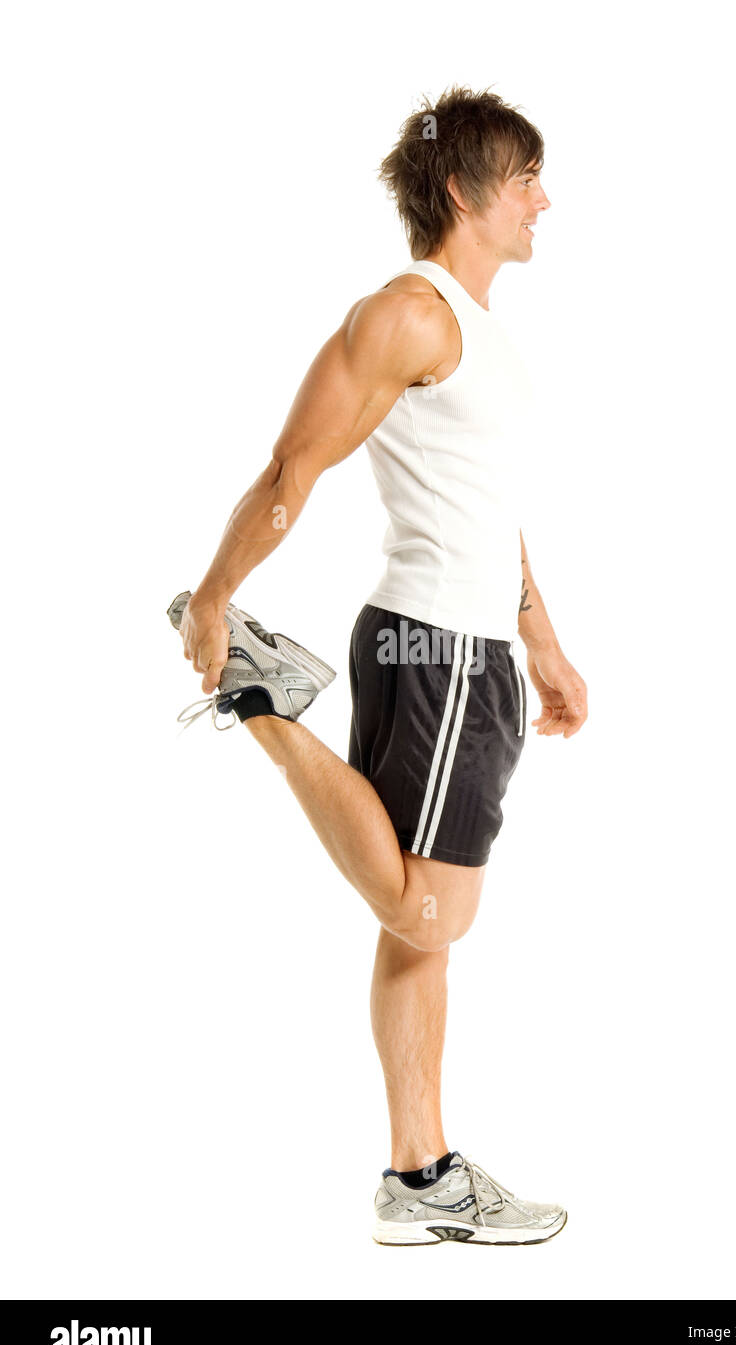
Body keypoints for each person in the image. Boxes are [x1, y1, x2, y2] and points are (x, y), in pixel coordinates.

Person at [168, 86, 587, 1245]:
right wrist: (214, 596)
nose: (542, 199)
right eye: (522, 181)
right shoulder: (408, 312)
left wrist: (540, 635)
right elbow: (294, 464)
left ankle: (418, 1179)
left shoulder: (479, 328)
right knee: (424, 909)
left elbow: (487, 507)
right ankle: (264, 701)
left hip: (475, 652)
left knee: (417, 930)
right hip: (432, 650)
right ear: (463, 191)